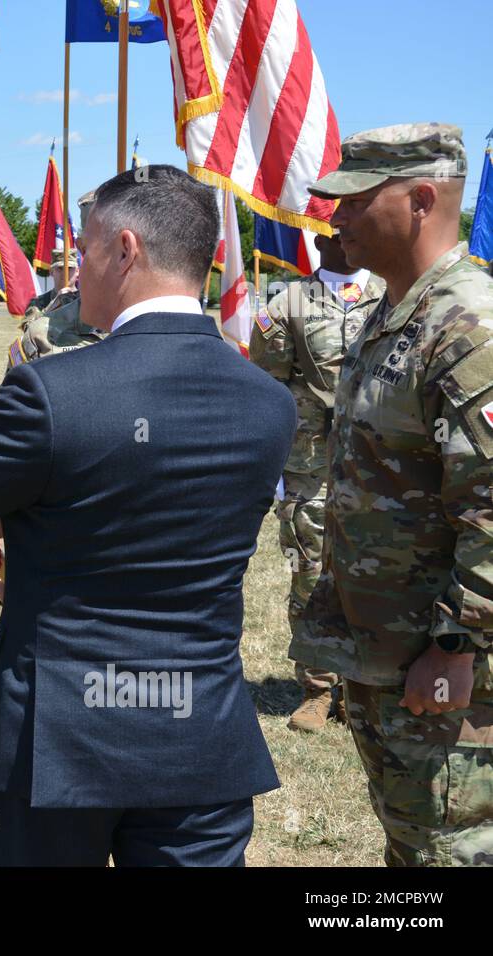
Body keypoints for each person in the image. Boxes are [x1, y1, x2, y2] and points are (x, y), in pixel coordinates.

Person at [0, 165, 295, 866]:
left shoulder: (53, 394)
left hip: (60, 745)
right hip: (201, 741)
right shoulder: (269, 402)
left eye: (84, 251)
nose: (75, 272)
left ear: (126, 251)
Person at [295, 123, 493, 866]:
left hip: (448, 670)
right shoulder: (396, 312)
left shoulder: (469, 325)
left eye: (354, 201)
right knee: (414, 846)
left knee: (455, 849)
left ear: (418, 200)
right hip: (387, 653)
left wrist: (455, 645)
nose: (334, 217)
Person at [250, 232, 385, 732]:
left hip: (383, 468)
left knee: (376, 575)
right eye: (332, 229)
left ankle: (363, 687)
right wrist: (274, 471)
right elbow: (267, 391)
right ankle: (317, 689)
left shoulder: (394, 298)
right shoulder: (288, 305)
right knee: (310, 575)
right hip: (309, 469)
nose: (344, 236)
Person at [8, 190, 104, 367]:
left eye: (70, 268)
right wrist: (56, 307)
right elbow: (29, 333)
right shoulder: (40, 309)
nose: (65, 273)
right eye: (60, 269)